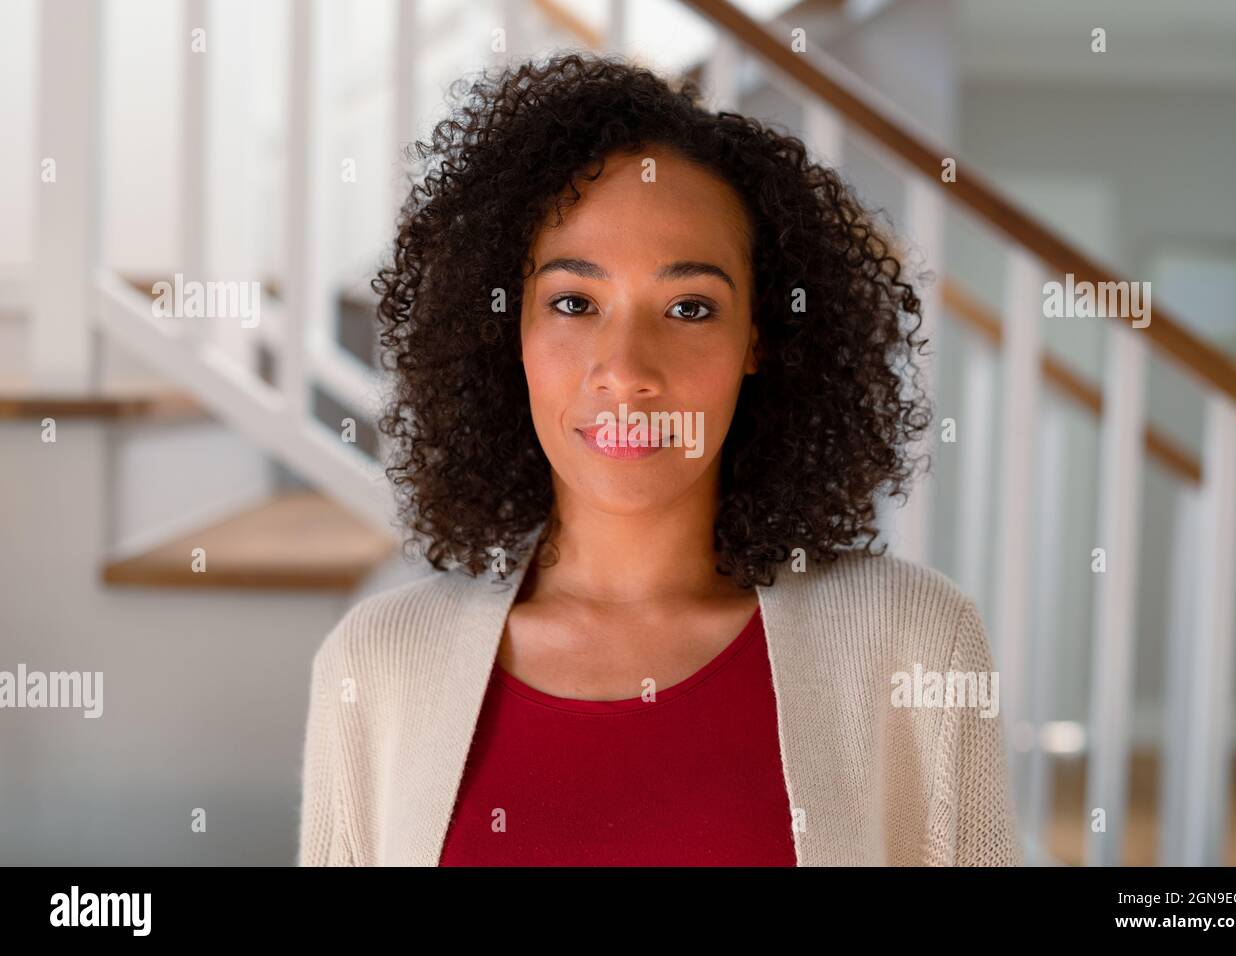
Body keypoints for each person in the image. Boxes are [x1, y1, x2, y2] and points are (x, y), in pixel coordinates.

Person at [297, 52, 1021, 867]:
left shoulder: (916, 644)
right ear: (510, 332)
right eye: (574, 302)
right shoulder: (377, 663)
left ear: (759, 339)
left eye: (689, 307)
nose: (628, 371)